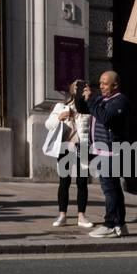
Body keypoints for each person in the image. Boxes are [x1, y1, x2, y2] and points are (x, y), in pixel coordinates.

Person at [87, 71, 131, 238]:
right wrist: (80, 94)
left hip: (112, 152)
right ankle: (121, 224)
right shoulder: (101, 99)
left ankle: (110, 224)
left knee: (110, 190)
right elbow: (84, 107)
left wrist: (91, 101)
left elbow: (107, 118)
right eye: (100, 83)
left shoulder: (120, 101)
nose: (101, 86)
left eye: (105, 83)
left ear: (115, 85)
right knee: (115, 189)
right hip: (100, 151)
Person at [45, 78, 93, 228]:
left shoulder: (88, 107)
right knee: (64, 182)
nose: (82, 89)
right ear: (73, 90)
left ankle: (81, 216)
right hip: (65, 147)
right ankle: (62, 215)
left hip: (82, 146)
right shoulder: (61, 106)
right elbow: (48, 124)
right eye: (79, 87)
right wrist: (60, 117)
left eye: (85, 87)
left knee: (82, 182)